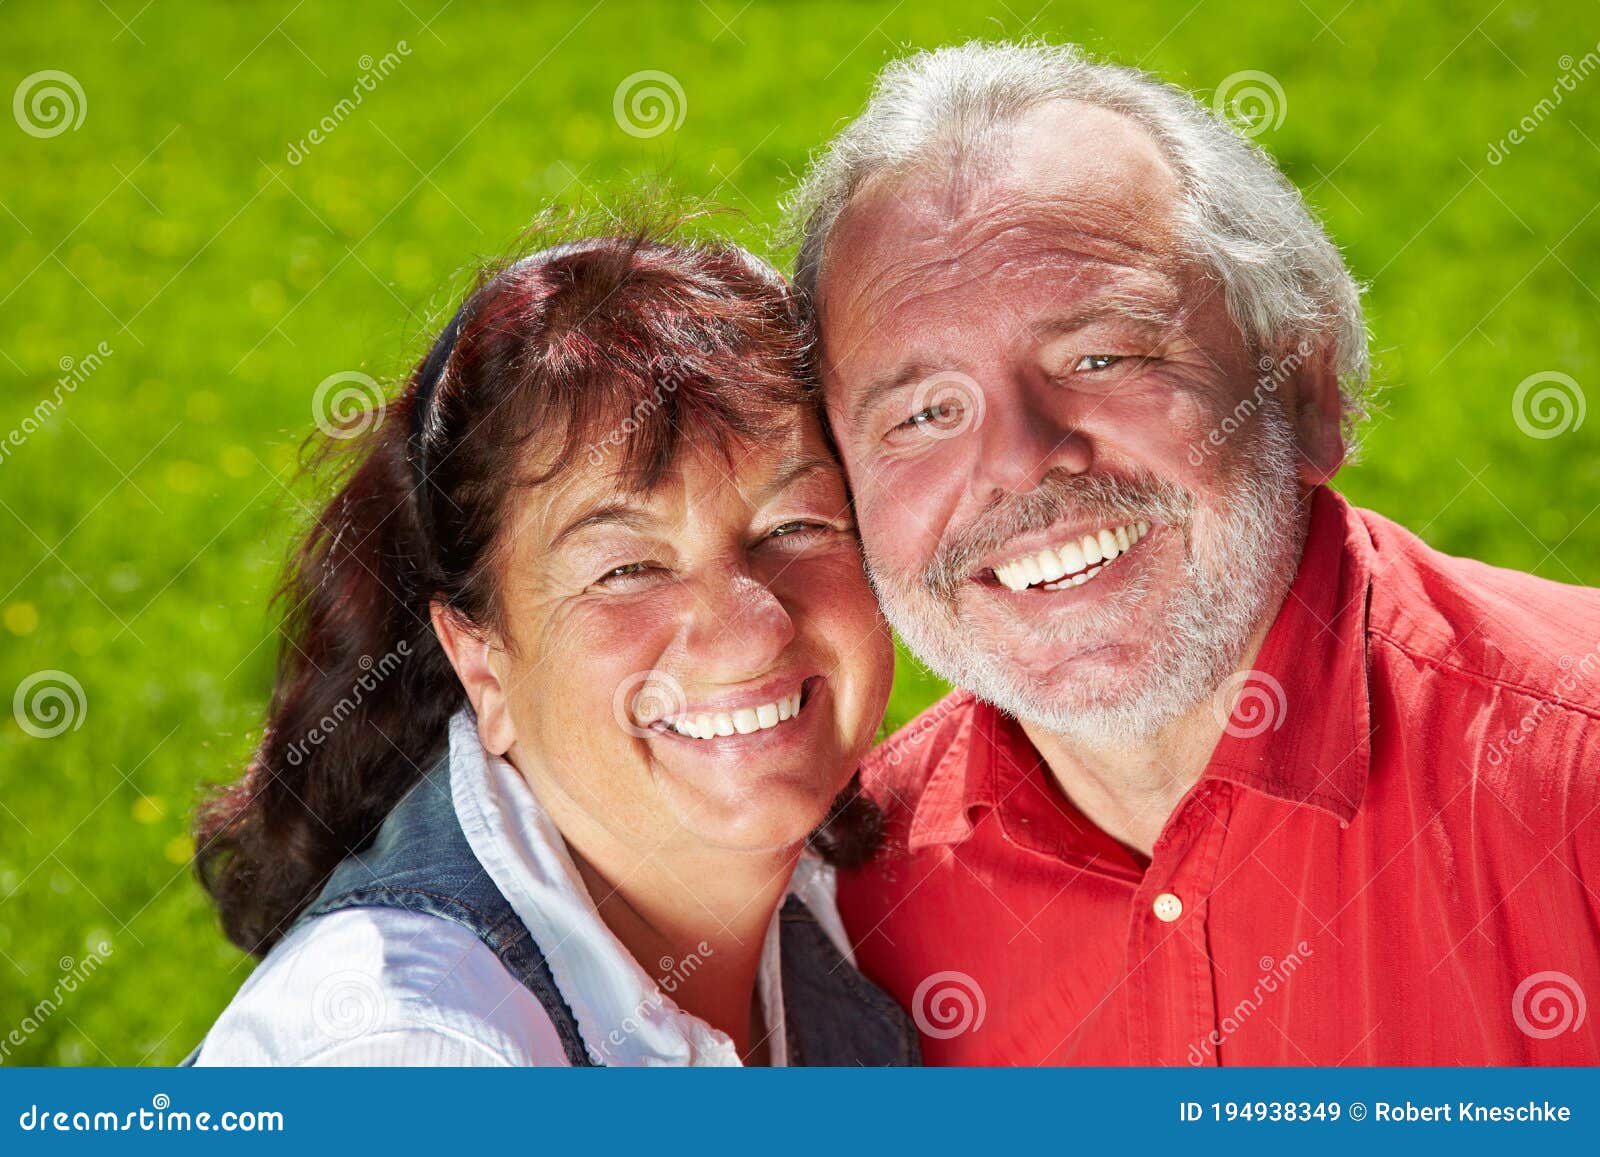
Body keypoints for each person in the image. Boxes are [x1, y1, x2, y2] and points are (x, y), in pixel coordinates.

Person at [789, 40, 1600, 1064]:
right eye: (923, 411)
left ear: (1306, 390)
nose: (1020, 460)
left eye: (1100, 355)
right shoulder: (839, 912)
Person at [183, 222, 918, 1067]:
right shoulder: (410, 1049)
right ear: (481, 665)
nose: (751, 629)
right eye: (627, 567)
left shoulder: (857, 903)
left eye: (795, 524)